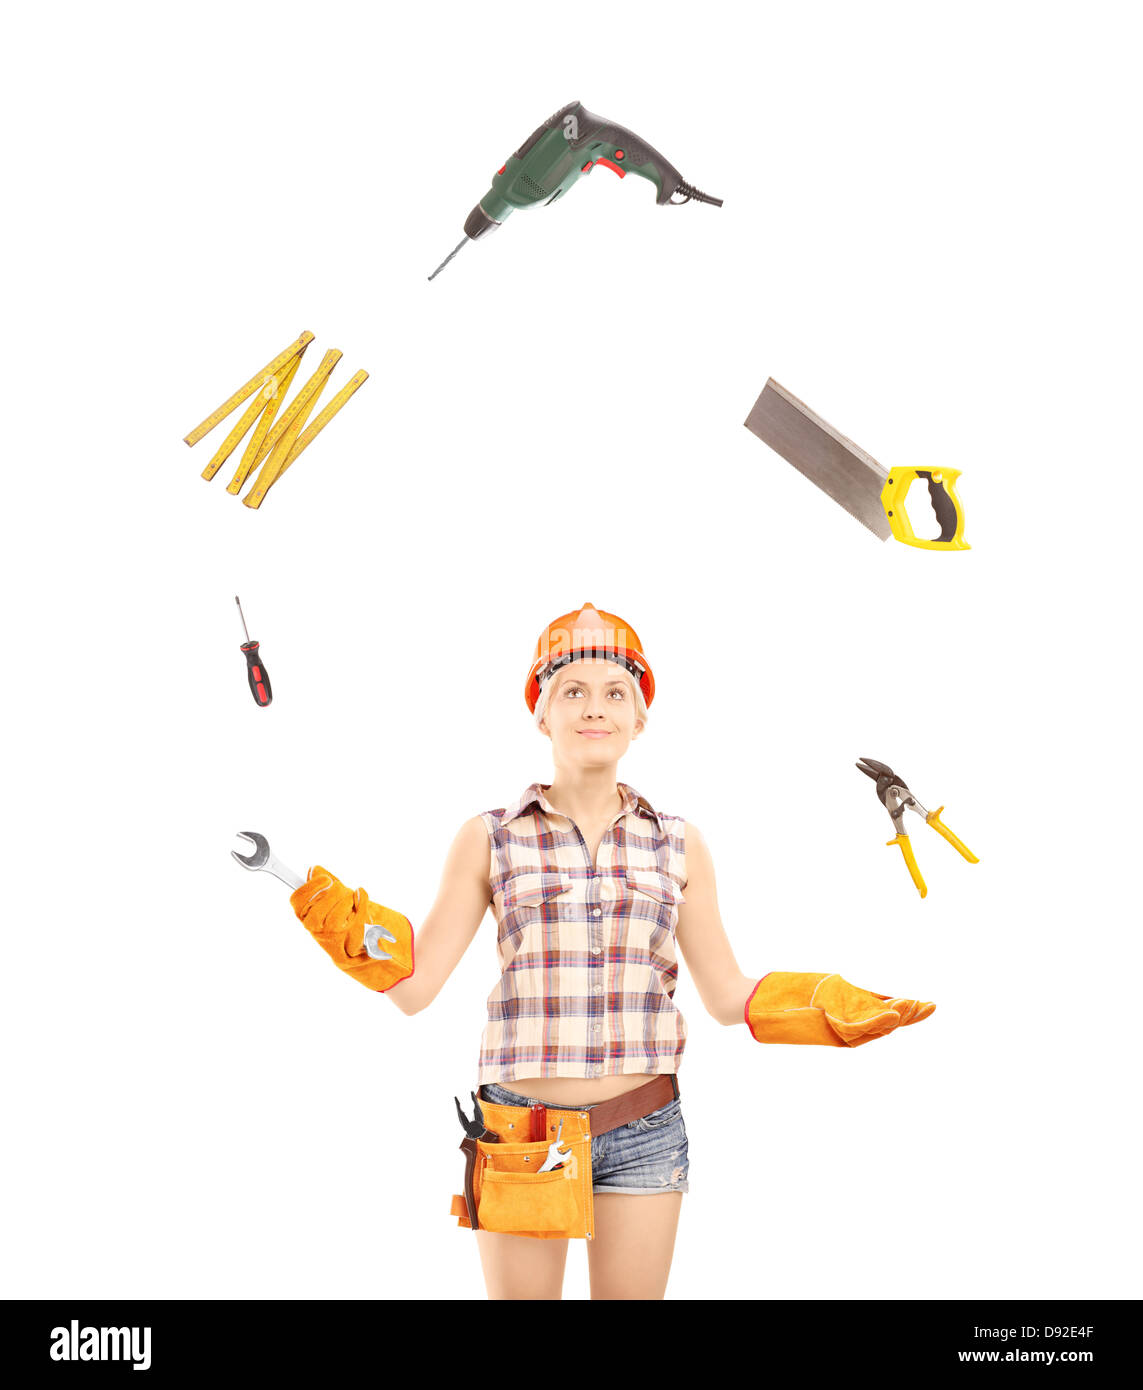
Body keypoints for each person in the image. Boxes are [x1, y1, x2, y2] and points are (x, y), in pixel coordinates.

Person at [289, 602, 934, 1300]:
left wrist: (823, 1006)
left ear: (639, 718)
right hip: (521, 1135)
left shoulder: (679, 843)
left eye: (613, 693)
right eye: (572, 691)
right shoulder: (489, 837)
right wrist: (317, 899)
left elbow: (724, 995)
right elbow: (414, 986)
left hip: (645, 1128)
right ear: (541, 713)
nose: (593, 708)